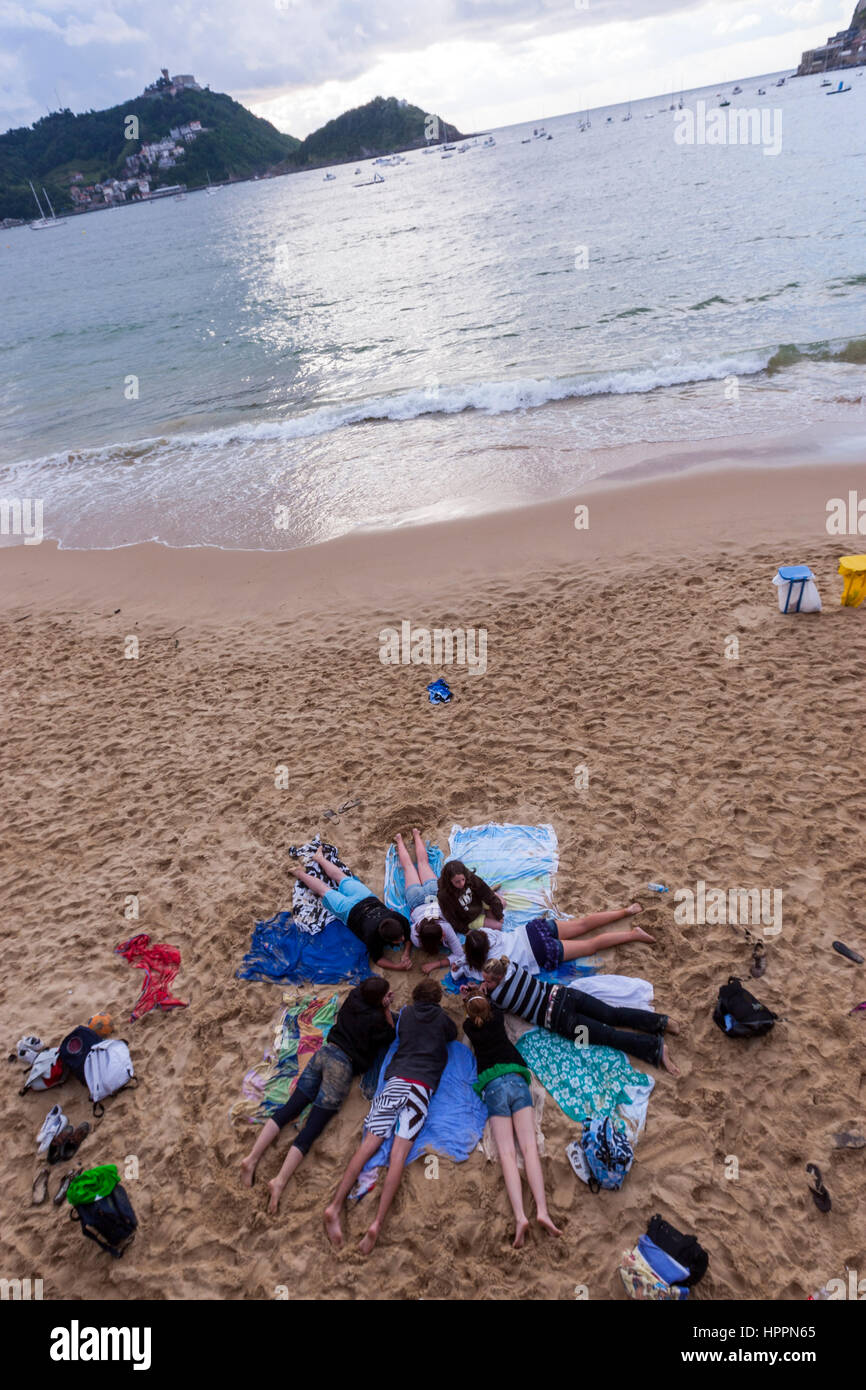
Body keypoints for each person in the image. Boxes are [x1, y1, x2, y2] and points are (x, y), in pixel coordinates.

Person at [324, 979, 457, 1255]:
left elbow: (395, 1024)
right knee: (398, 1155)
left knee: (368, 1146)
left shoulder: (405, 1014)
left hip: (396, 1080)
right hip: (420, 1086)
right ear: (436, 1001)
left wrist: (389, 1009)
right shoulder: (443, 1020)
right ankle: (377, 1223)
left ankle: (335, 1205)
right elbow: (452, 1035)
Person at [240, 977, 397, 1212]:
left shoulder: (354, 996)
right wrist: (385, 1010)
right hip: (343, 1066)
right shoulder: (376, 1020)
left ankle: (251, 1159)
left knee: (289, 1109)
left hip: (324, 1053)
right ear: (378, 1000)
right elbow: (390, 1034)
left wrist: (379, 1002)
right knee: (311, 1129)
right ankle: (279, 1181)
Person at [462, 991, 561, 1248]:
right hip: (516, 1079)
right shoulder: (496, 1020)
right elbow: (492, 1006)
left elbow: (472, 1015)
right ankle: (542, 1210)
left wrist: (468, 1001)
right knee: (529, 1149)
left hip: (493, 1085)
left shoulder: (468, 1027)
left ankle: (520, 1217)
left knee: (507, 1153)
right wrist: (477, 994)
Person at [475, 956, 680, 1075]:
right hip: (567, 995)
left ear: (499, 978)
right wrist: (487, 985)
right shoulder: (512, 967)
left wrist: (482, 991)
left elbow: (489, 1007)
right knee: (612, 1014)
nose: (485, 984)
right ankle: (662, 1022)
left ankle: (656, 1048)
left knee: (608, 1037)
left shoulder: (499, 995)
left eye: (488, 981)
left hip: (563, 1022)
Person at [457, 903, 654, 981]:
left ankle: (634, 935)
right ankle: (626, 911)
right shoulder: (485, 933)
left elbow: (461, 969)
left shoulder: (482, 967)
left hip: (539, 952)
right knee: (582, 924)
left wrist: (461, 966)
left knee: (589, 946)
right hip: (532, 931)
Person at [291, 850, 411, 971]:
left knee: (341, 878)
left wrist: (406, 953)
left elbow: (408, 936)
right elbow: (378, 960)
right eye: (398, 938)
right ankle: (300, 872)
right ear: (385, 939)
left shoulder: (398, 919)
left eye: (401, 936)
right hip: (349, 911)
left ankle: (318, 859)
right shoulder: (373, 937)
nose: (402, 939)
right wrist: (397, 967)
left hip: (366, 898)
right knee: (324, 890)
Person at [437, 859, 505, 933]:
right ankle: (486, 915)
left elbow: (487, 893)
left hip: (477, 903)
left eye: (463, 879)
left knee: (502, 904)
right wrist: (465, 930)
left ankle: (487, 912)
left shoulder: (469, 876)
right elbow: (451, 918)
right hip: (469, 918)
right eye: (457, 882)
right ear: (449, 881)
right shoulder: (444, 895)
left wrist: (499, 915)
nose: (462, 884)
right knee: (498, 926)